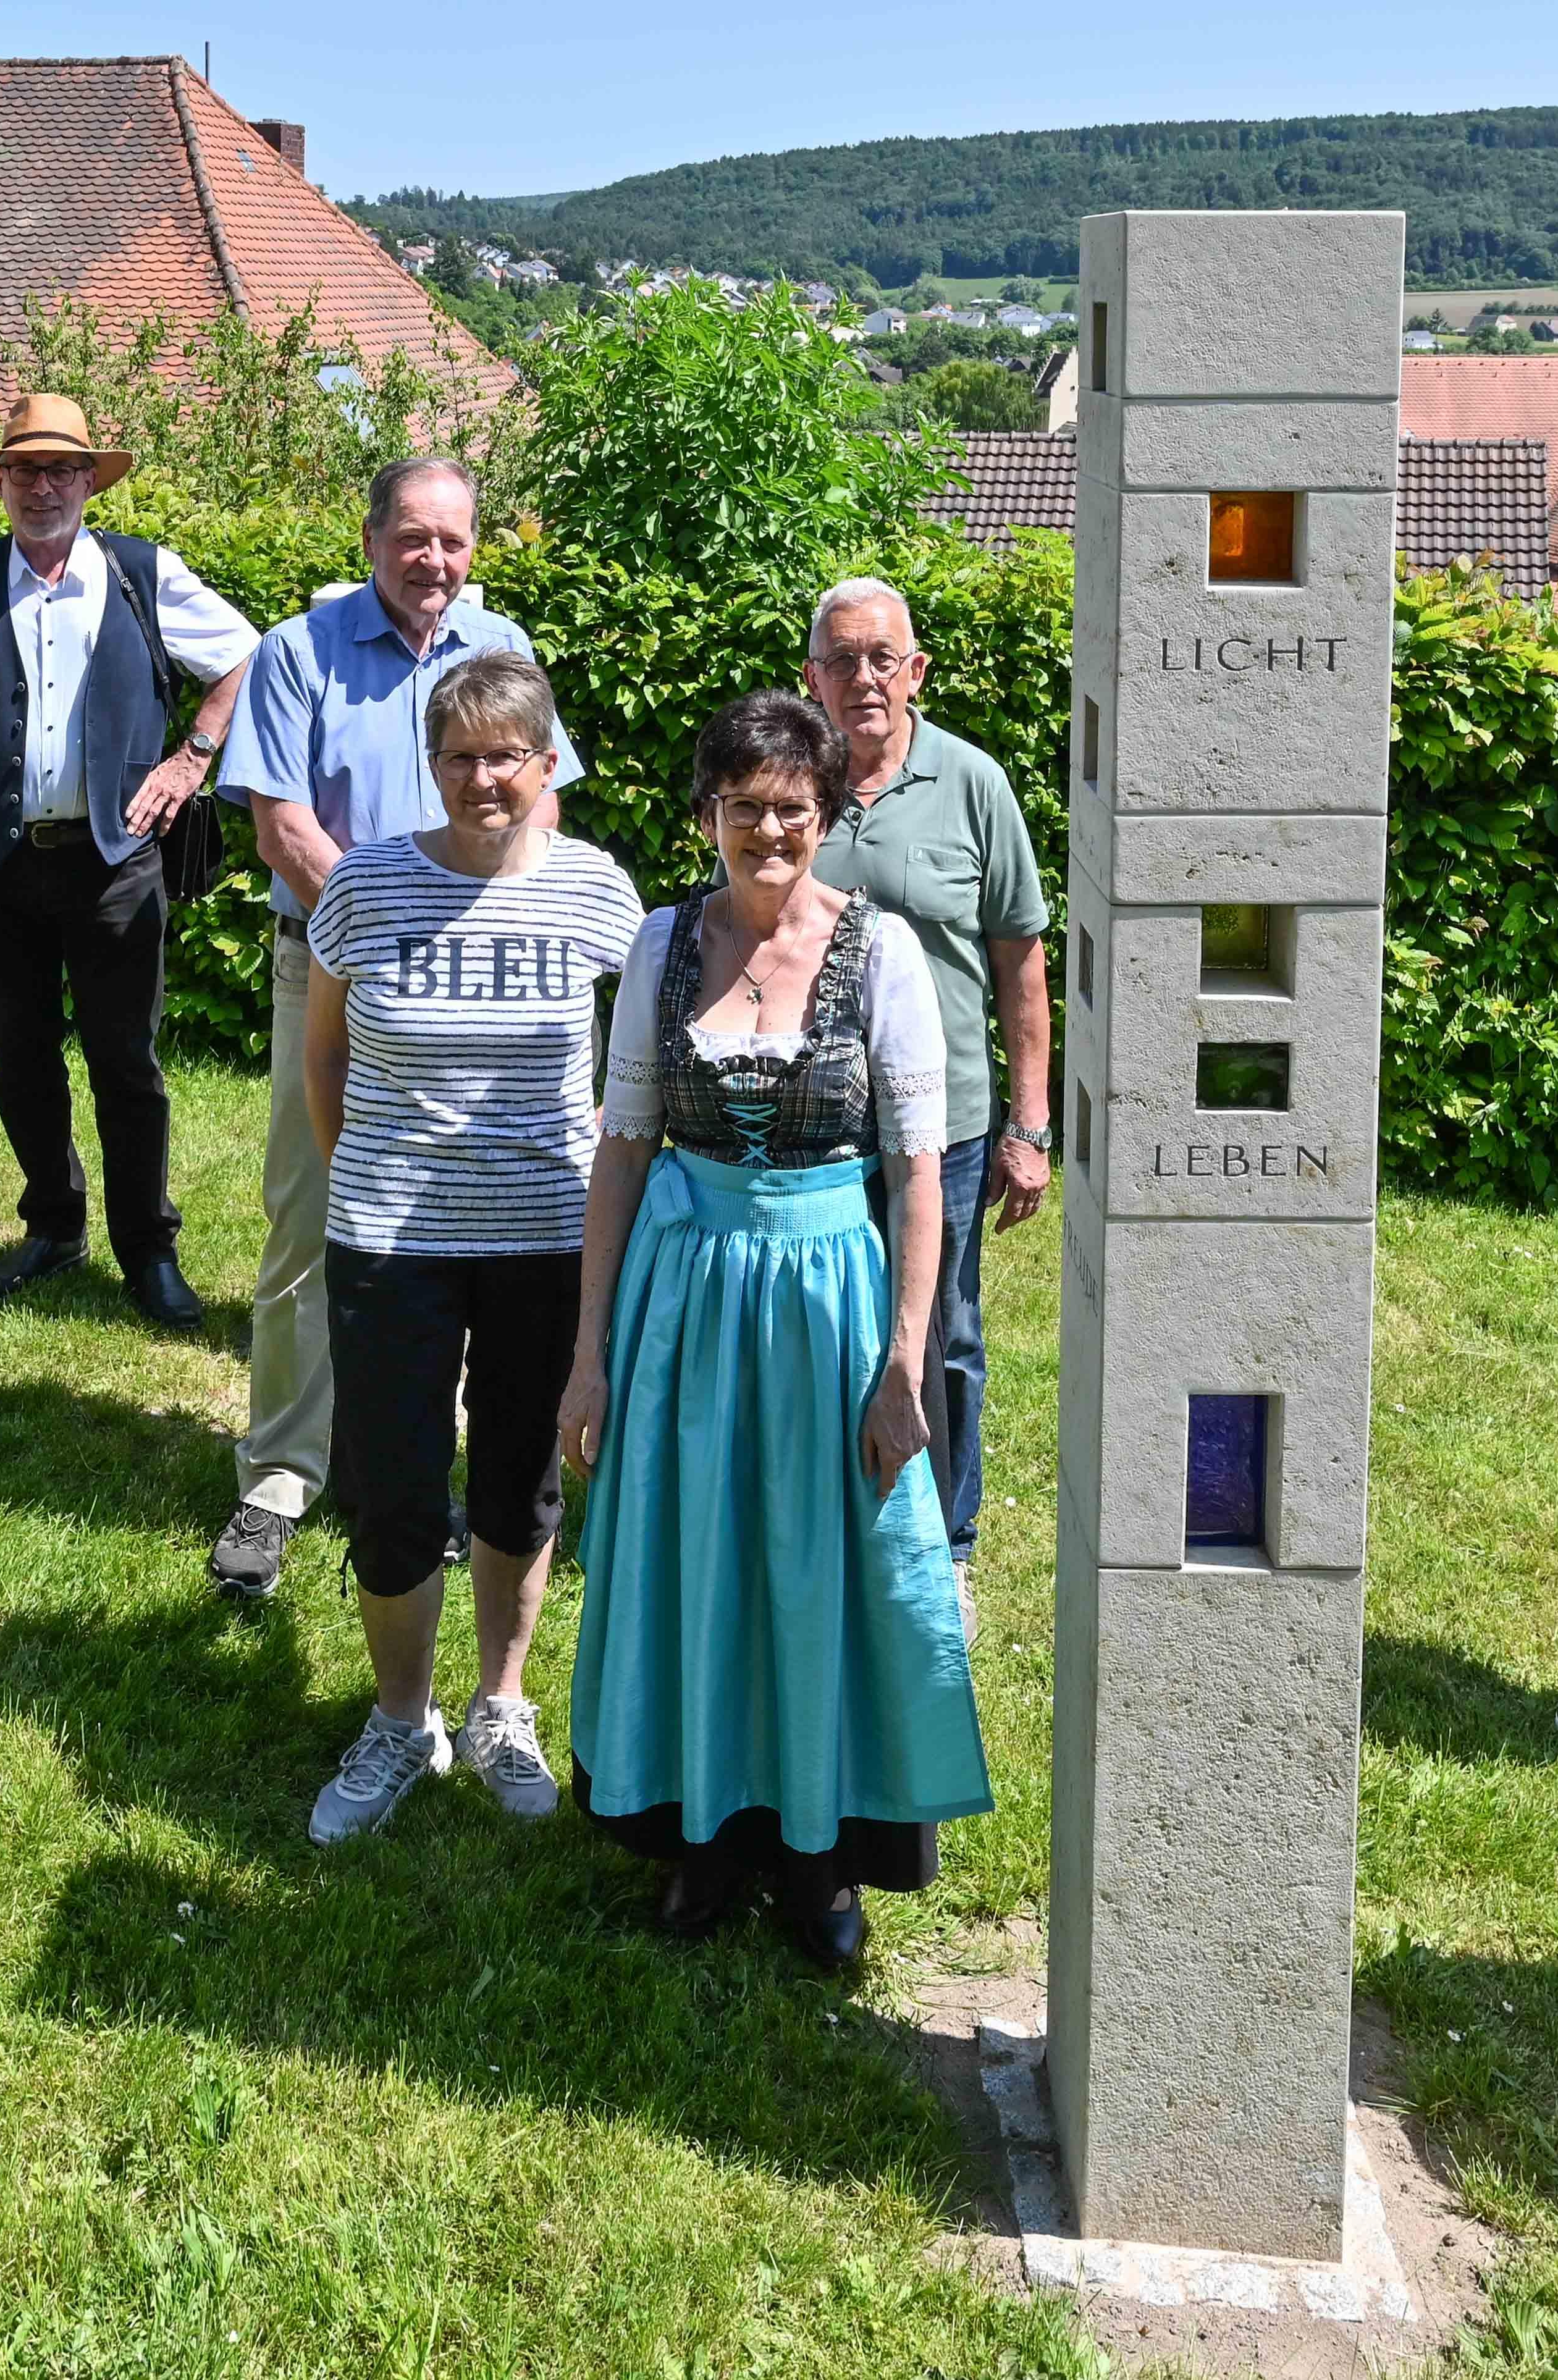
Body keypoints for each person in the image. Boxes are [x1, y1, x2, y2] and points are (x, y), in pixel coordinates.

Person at [559, 691, 992, 1971]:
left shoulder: (885, 952)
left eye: (791, 810)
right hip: (686, 1294)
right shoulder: (660, 945)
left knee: (819, 1566)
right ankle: (703, 1836)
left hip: (827, 1301)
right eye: (743, 808)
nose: (768, 831)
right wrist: (591, 1353)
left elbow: (919, 1173)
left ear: (826, 815)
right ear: (707, 815)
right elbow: (623, 1151)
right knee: (697, 1552)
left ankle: (817, 1860)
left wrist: (906, 1359)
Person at [206, 458, 582, 1602]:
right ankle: (280, 1475)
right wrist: (390, 942)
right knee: (315, 1219)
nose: (433, 560)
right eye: (412, 537)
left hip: (488, 990)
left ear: (474, 550)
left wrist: (471, 951)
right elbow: (284, 828)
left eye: (453, 541)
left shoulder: (501, 644)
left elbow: (543, 801)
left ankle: (427, 1470)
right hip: (337, 969)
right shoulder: (298, 651)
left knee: (471, 1231)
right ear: (372, 539)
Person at [297, 652, 644, 1844]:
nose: (483, 778)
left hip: (546, 1237)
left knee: (517, 1475)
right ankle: (402, 1721)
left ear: (546, 765)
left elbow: (644, 1068)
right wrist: (371, 1175)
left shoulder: (600, 892)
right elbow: (325, 1056)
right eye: (460, 756)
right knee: (392, 1486)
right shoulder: (365, 888)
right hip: (391, 1237)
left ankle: (500, 1702)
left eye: (508, 755)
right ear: (430, 766)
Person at [0, 394, 253, 1327]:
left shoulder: (142, 573)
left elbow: (250, 659)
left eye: (61, 471)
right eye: (24, 471)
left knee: (127, 1062)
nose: (42, 487)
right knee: (20, 1059)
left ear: (91, 481)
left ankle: (147, 1249)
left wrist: (190, 757)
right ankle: (53, 1224)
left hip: (115, 863)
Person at [797, 576, 1051, 1571]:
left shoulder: (973, 782)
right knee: (823, 1323)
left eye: (882, 658)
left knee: (942, 1331)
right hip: (813, 1119)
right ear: (811, 677)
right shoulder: (794, 785)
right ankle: (832, 1523)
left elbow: (1020, 966)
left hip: (944, 1123)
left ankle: (945, 1543)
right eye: (843, 659)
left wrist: (1028, 1127)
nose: (864, 678)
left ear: (917, 671)